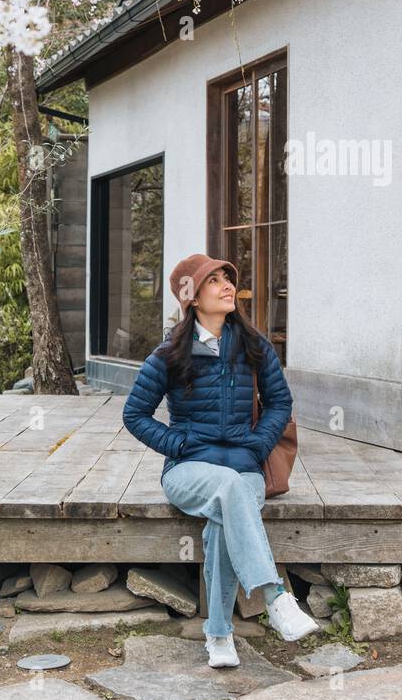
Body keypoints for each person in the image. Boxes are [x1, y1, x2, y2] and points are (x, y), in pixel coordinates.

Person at [122, 252, 319, 668]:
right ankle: (275, 598)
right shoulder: (170, 353)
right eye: (215, 281)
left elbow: (280, 402)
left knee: (220, 522)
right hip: (189, 471)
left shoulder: (252, 346)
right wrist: (179, 444)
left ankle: (218, 637)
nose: (229, 286)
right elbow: (134, 414)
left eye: (228, 279)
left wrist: (257, 446)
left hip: (245, 467)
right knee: (228, 491)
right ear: (192, 297)